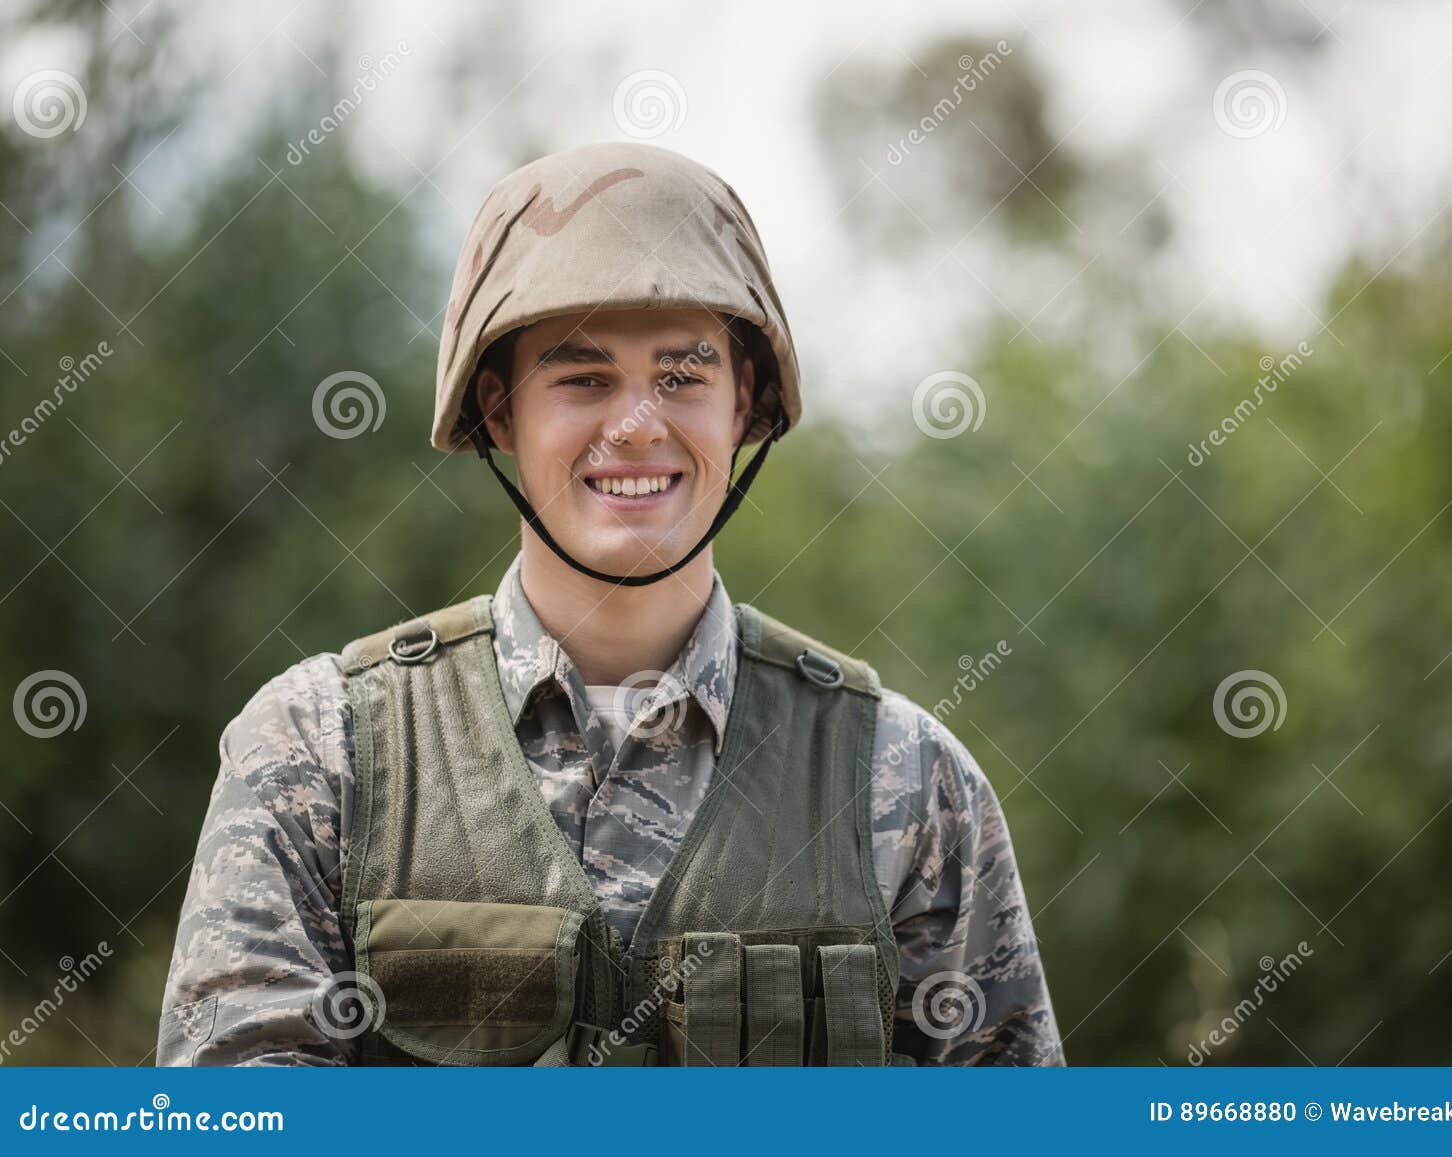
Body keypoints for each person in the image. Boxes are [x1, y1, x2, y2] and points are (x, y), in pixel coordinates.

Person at [156, 141, 1061, 1066]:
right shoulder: (325, 752)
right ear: (500, 411)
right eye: (583, 378)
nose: (636, 425)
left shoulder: (903, 780)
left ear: (744, 404)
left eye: (682, 376)